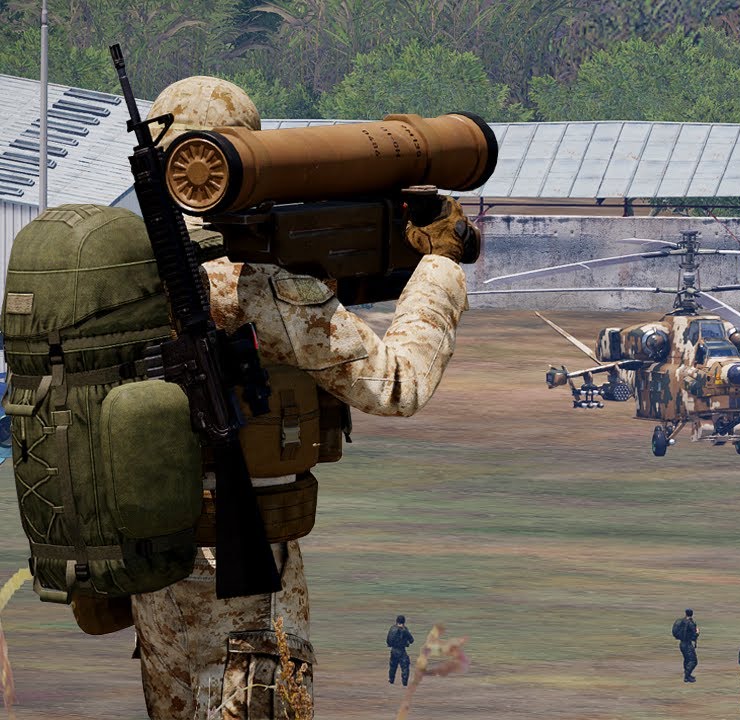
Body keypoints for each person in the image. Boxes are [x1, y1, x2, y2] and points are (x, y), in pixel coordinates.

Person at [122, 75, 477, 720]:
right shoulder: (262, 290)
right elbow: (397, 384)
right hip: (246, 571)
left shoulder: (130, 277)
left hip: (159, 572)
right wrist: (442, 267)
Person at [671, 608, 699, 682]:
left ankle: (687, 675)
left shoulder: (681, 621)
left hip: (682, 643)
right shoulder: (690, 623)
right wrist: (697, 633)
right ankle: (687, 676)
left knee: (687, 659)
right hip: (687, 644)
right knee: (693, 661)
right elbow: (694, 635)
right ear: (692, 614)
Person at [387, 615, 415, 686]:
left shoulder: (392, 628)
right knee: (405, 667)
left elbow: (388, 641)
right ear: (404, 622)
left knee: (393, 666)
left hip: (393, 650)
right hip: (401, 651)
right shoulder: (404, 630)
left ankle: (391, 680)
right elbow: (411, 640)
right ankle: (404, 683)